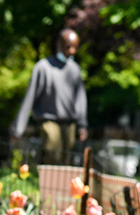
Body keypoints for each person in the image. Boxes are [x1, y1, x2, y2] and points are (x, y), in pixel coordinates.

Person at [11, 28, 89, 164]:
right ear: (59, 44)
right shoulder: (43, 67)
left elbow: (80, 100)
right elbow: (29, 98)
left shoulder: (74, 70)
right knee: (53, 157)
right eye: (69, 47)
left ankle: (62, 186)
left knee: (66, 160)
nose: (72, 51)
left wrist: (82, 125)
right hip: (49, 121)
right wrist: (18, 128)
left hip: (69, 123)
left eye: (75, 48)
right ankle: (49, 184)